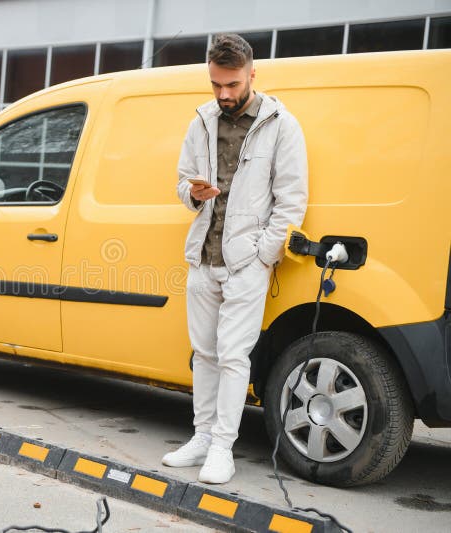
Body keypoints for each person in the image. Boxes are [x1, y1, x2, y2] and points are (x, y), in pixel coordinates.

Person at [163, 34, 308, 484]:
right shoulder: (202, 120)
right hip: (203, 257)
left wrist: (263, 255)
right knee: (204, 354)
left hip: (246, 263)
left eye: (232, 85)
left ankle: (223, 447)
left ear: (251, 74)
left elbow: (291, 201)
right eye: (216, 85)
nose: (224, 94)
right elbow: (181, 182)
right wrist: (192, 192)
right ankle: (202, 437)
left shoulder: (281, 124)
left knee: (232, 356)